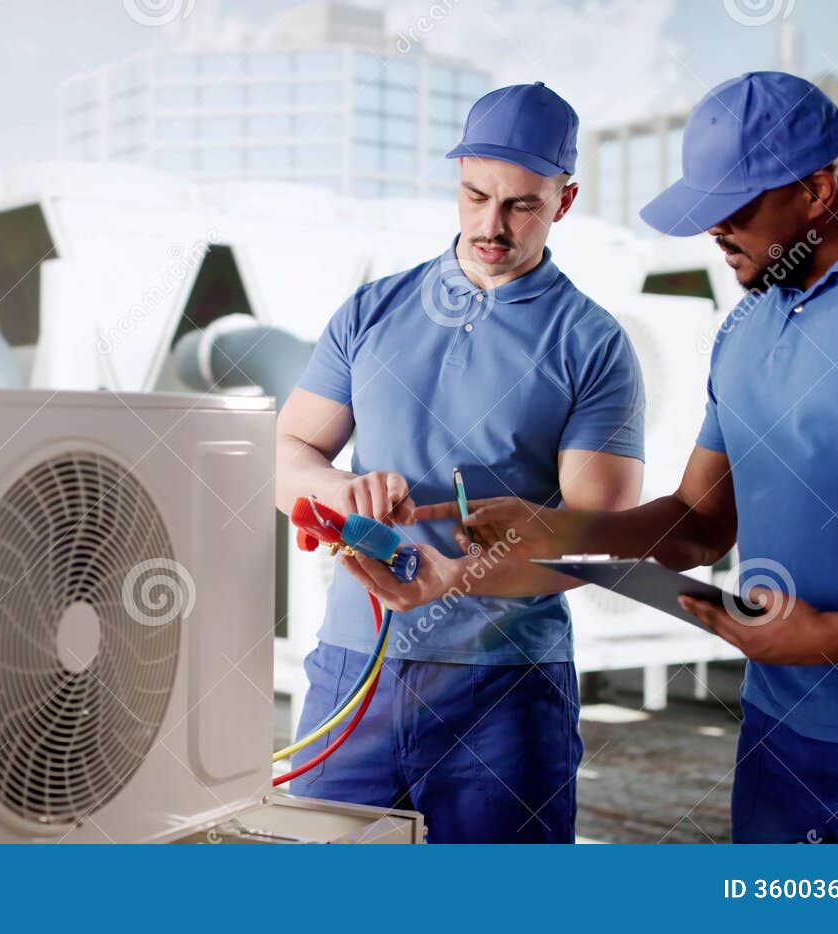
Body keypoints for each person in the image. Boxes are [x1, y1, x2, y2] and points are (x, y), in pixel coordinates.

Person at [418, 72, 838, 843]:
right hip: (781, 734)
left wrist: (835, 638)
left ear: (816, 189)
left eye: (732, 209)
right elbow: (699, 522)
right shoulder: (747, 328)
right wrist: (565, 531)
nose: (712, 231)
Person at [275, 82, 645, 843]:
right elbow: (286, 454)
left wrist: (461, 578)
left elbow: (596, 540)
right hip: (355, 669)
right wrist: (344, 490)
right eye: (475, 195)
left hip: (503, 696)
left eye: (521, 206)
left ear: (563, 201)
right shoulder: (371, 311)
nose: (491, 226)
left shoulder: (592, 345)